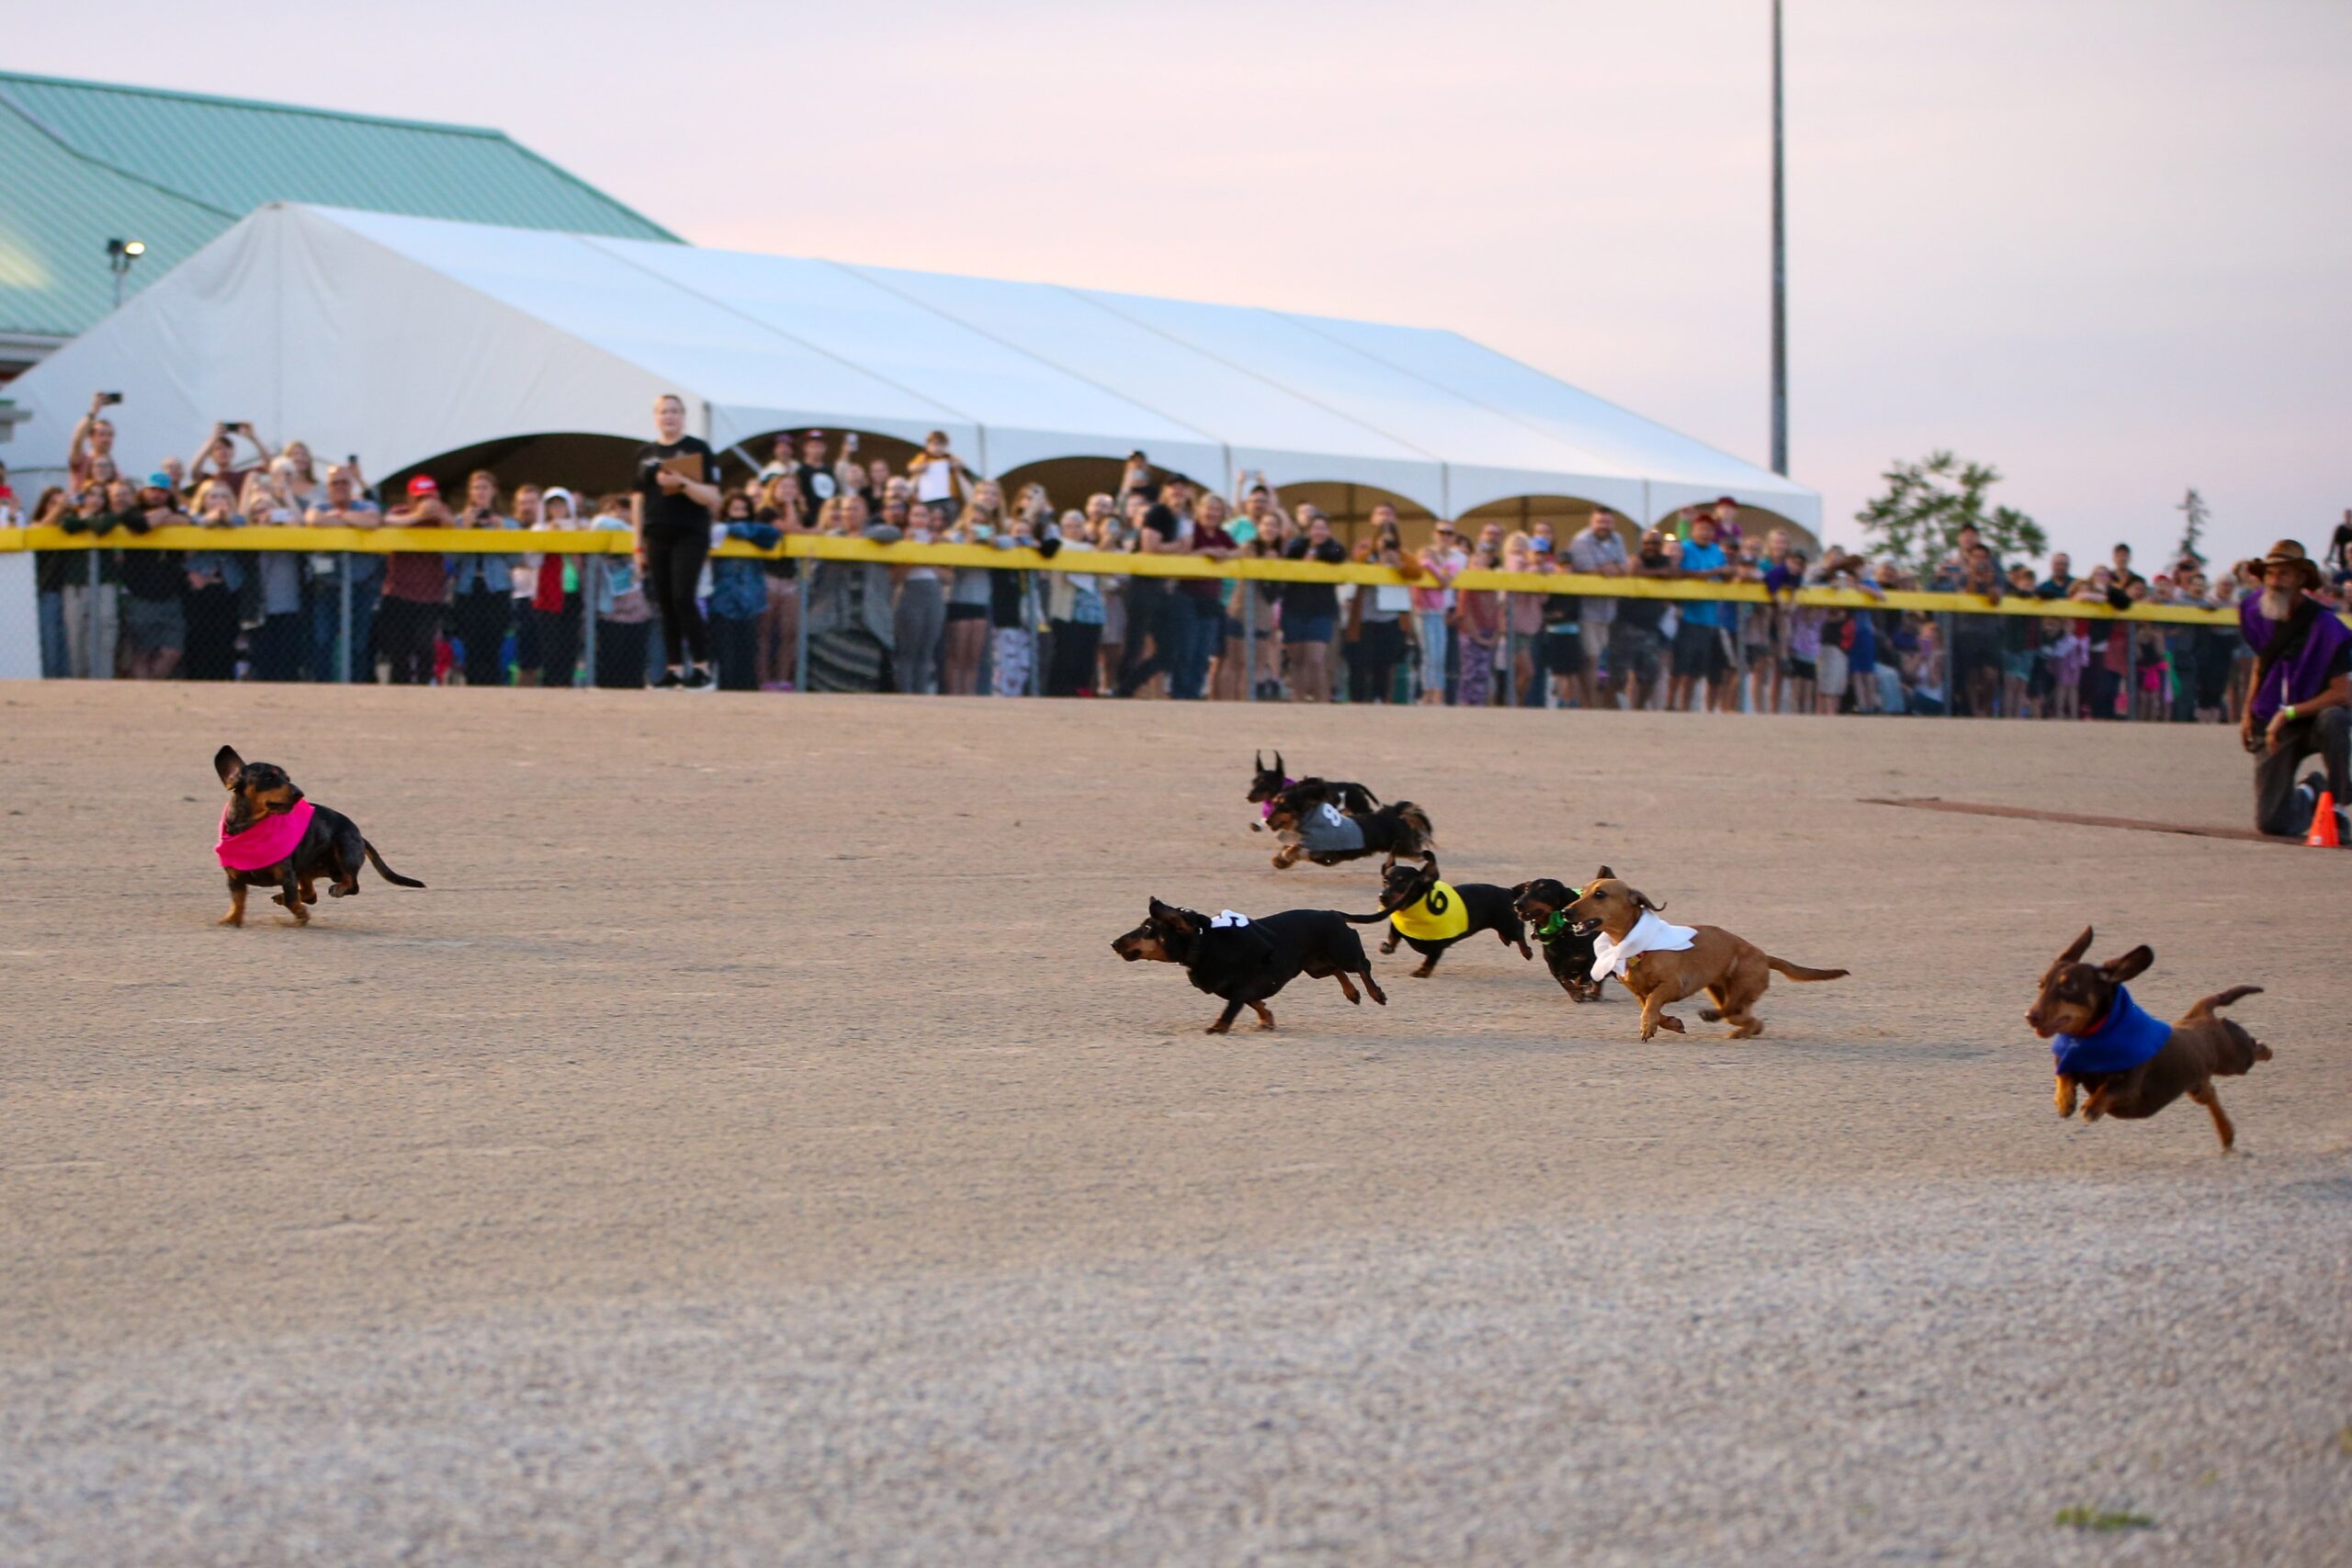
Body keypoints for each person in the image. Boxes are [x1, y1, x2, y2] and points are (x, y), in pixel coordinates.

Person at [2238, 540, 2351, 839]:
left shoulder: (2328, 627)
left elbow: (2344, 693)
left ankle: (2338, 808)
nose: (2275, 581)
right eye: (2271, 573)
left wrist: (2288, 713)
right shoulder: (2254, 609)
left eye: (2284, 574)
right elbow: (2262, 662)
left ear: (2301, 579)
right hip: (2272, 721)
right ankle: (2313, 790)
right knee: (2272, 823)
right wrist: (2248, 713)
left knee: (2336, 719)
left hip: (2312, 719)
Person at [632, 392, 724, 691]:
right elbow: (637, 500)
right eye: (663, 412)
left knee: (684, 596)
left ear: (683, 416)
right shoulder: (645, 454)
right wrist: (637, 544)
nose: (668, 417)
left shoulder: (696, 449)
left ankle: (701, 666)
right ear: (655, 417)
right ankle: (673, 669)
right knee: (665, 602)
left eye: (674, 411)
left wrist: (682, 483)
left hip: (690, 533)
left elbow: (712, 497)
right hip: (656, 534)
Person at [302, 464, 383, 682]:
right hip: (326, 587)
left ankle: (356, 688)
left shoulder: (365, 504)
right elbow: (314, 520)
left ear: (352, 484)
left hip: (361, 586)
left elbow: (373, 521)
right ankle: (323, 688)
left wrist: (340, 515)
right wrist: (351, 521)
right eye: (334, 483)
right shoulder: (318, 505)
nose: (340, 487)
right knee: (323, 640)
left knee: (358, 643)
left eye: (344, 482)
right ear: (327, 486)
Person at [379, 475, 452, 685]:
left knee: (424, 645)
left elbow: (454, 528)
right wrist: (417, 516)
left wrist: (437, 511)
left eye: (429, 496)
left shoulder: (441, 515)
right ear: (409, 498)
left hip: (430, 595)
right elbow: (386, 522)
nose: (425, 502)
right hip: (398, 592)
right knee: (398, 649)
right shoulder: (399, 512)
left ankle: (424, 686)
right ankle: (398, 693)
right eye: (419, 497)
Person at [707, 491, 783, 691]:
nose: (739, 513)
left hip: (751, 601)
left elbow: (773, 535)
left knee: (748, 653)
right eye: (734, 510)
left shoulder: (755, 531)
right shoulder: (716, 533)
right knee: (725, 655)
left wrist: (734, 529)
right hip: (723, 601)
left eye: (743, 509)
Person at [1667, 512, 1734, 711]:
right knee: (1679, 668)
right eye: (1702, 528)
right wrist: (1713, 573)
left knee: (1696, 670)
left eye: (1709, 529)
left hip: (1709, 618)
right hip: (1687, 616)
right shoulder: (1685, 548)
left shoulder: (1717, 551)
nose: (1705, 533)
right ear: (1694, 530)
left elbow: (1725, 576)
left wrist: (1728, 573)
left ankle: (1685, 706)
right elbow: (1682, 572)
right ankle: (1671, 704)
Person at [1281, 509, 1347, 703]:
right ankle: (1298, 699)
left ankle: (1321, 701)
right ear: (1308, 530)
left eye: (1323, 528)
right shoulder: (1297, 546)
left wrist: (1318, 552)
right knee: (1297, 660)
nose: (1319, 532)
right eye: (1315, 528)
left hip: (1321, 610)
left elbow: (1339, 554)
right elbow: (1287, 557)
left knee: (1316, 660)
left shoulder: (1333, 548)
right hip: (1294, 608)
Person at [1412, 521, 1465, 704]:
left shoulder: (1453, 560)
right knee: (1430, 655)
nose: (1444, 536)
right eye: (1441, 532)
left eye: (1449, 533)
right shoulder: (1429, 561)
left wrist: (1431, 566)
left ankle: (1437, 692)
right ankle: (1428, 691)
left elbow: (1445, 581)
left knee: (1439, 655)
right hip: (1424, 613)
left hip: (1440, 613)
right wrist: (1430, 563)